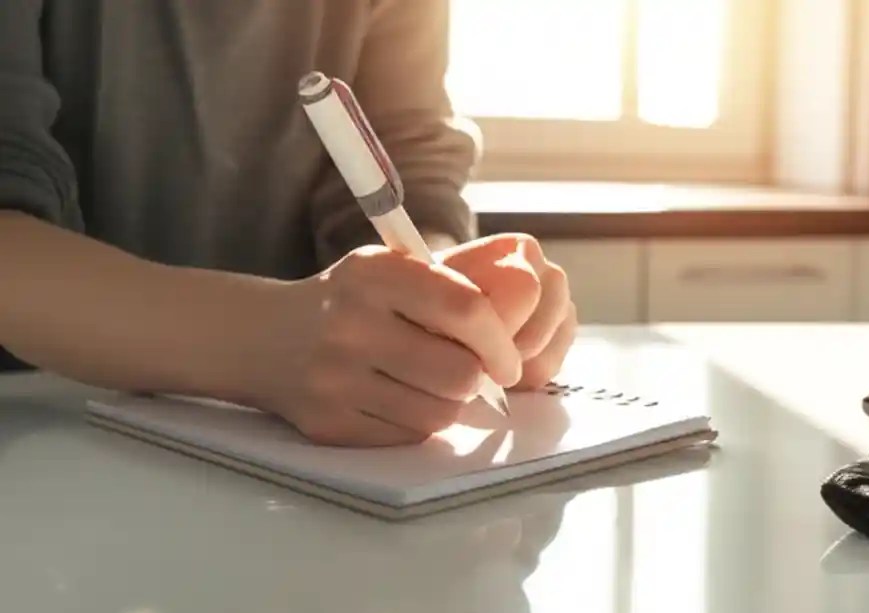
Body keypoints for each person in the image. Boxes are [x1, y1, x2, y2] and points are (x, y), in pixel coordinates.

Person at [0, 1, 577, 447]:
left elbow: (408, 165)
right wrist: (262, 340)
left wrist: (442, 284)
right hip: (37, 455)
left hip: (303, 481)